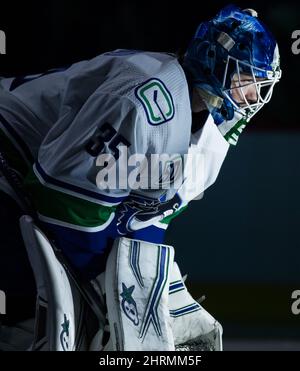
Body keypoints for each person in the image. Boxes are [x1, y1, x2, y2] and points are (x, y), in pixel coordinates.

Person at [0, 5, 281, 350]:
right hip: (7, 155)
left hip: (35, 176)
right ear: (212, 62)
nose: (254, 96)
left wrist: (148, 286)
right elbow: (67, 205)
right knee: (29, 314)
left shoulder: (214, 130)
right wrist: (112, 288)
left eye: (259, 84)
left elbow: (143, 220)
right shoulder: (145, 98)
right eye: (245, 80)